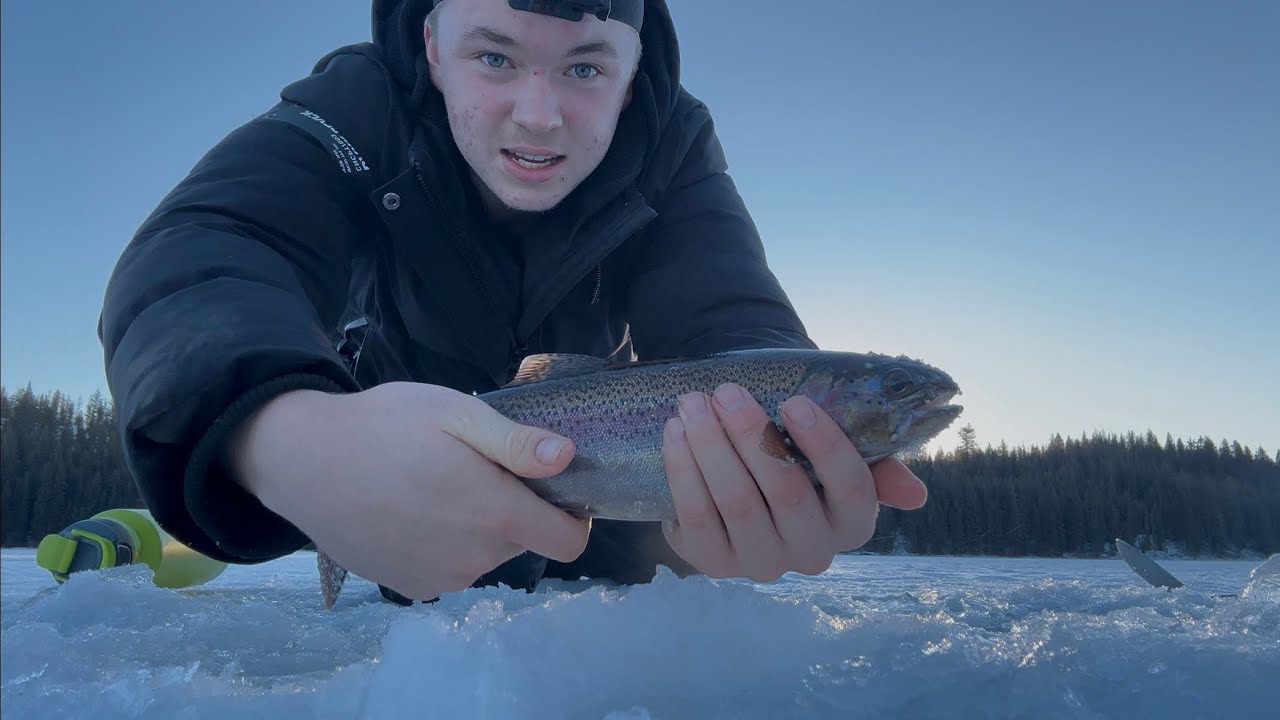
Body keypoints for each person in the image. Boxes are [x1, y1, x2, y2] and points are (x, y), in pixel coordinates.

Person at [97, 0, 928, 606]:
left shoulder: (672, 143)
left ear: (633, 76)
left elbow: (733, 317)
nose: (539, 116)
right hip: (400, 468)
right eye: (494, 58)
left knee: (653, 593)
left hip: (624, 491)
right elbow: (211, 248)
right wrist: (276, 434)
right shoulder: (358, 107)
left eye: (585, 67)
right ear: (430, 47)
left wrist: (771, 459)